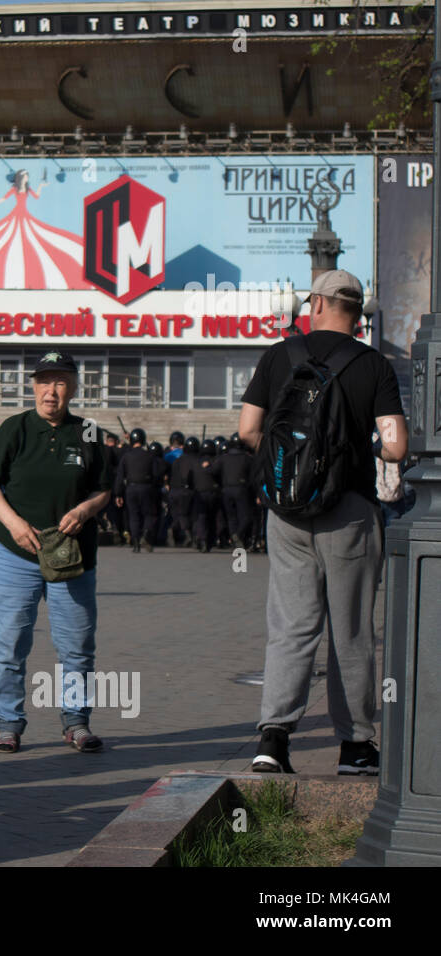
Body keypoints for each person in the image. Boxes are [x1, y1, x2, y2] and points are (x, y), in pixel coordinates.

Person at [239, 269, 407, 776]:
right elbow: (395, 445)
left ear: (315, 304)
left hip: (287, 513)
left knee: (290, 626)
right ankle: (355, 745)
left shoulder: (279, 355)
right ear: (359, 314)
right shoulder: (373, 364)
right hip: (350, 512)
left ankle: (273, 739)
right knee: (351, 630)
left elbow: (248, 429)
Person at [0, 352, 111, 754]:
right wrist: (14, 523)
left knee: (76, 644)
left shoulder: (89, 432)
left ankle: (76, 721)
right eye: (42, 381)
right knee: (10, 642)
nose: (49, 391)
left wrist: (86, 509)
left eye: (58, 382)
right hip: (14, 552)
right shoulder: (14, 428)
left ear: (73, 387)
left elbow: (103, 488)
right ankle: (8, 723)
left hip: (72, 555)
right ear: (33, 386)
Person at [113, 427, 163, 553]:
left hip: (131, 488)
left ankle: (135, 543)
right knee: (149, 514)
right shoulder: (150, 456)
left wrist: (118, 494)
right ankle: (146, 533)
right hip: (146, 487)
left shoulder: (126, 456)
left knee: (133, 516)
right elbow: (157, 475)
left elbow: (120, 476)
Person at [210, 435, 255, 549]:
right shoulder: (247, 458)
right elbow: (253, 475)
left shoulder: (223, 458)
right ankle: (238, 535)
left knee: (231, 517)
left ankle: (234, 537)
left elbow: (213, 471)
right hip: (241, 488)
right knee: (245, 516)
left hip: (226, 489)